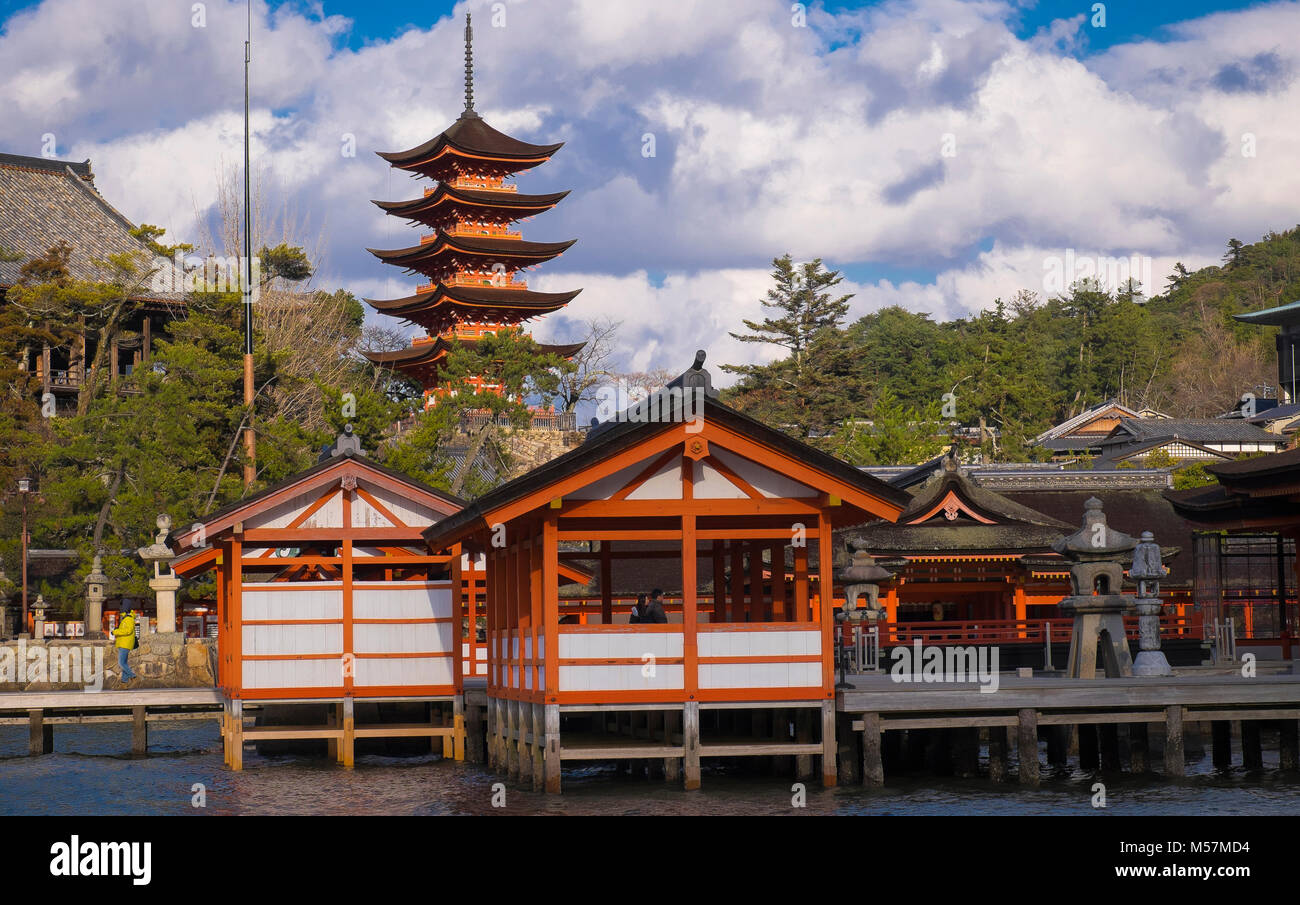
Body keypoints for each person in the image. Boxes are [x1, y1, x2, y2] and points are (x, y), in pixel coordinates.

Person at [112, 610, 139, 682]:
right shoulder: (126, 619)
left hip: (125, 644)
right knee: (124, 663)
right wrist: (118, 630)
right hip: (123, 643)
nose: (120, 615)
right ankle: (124, 681)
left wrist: (115, 632)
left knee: (121, 663)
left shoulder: (128, 619)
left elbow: (128, 630)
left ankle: (133, 676)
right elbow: (125, 630)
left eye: (121, 613)